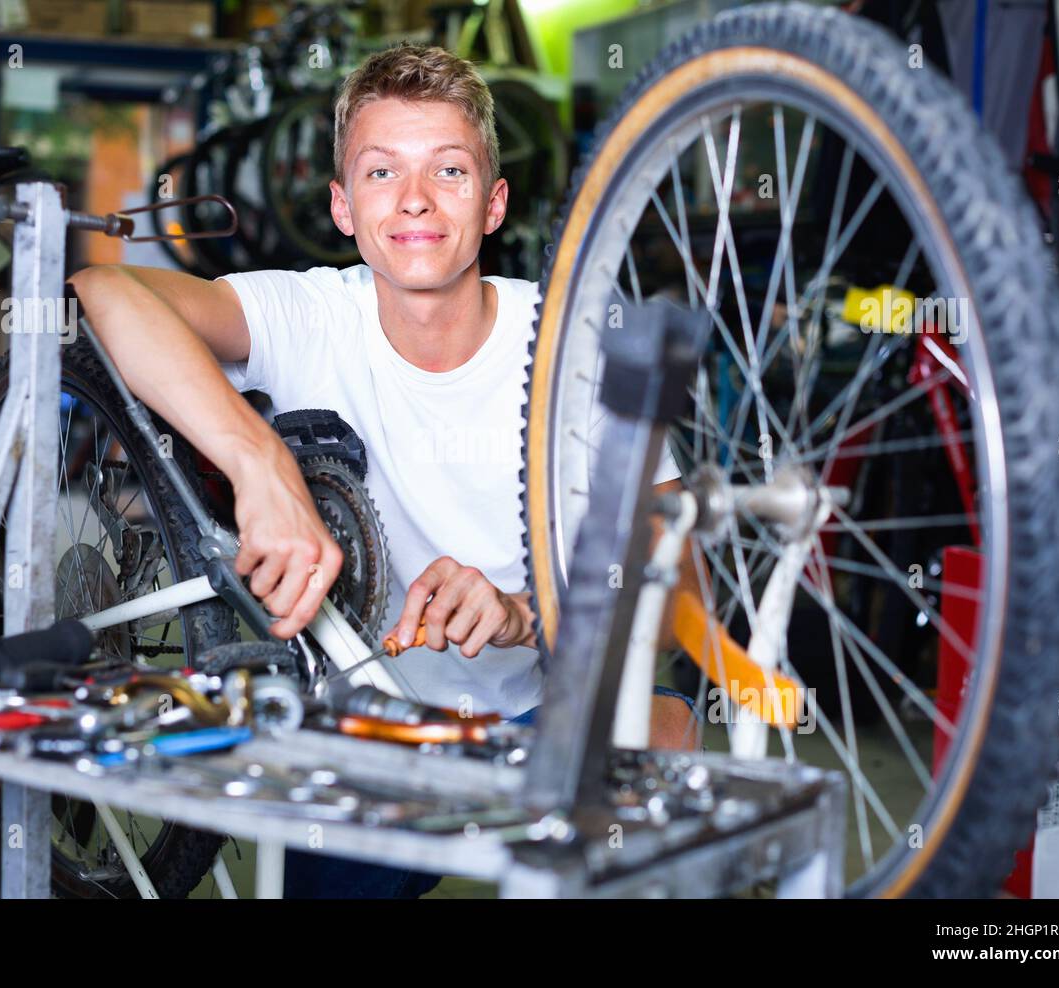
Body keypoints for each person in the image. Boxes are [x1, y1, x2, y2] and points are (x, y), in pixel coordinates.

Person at [70, 43, 698, 898]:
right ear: (341, 206)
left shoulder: (575, 340)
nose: (413, 201)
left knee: (658, 725)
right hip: (361, 741)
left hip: (530, 720)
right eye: (379, 172)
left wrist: (527, 613)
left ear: (492, 205)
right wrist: (259, 466)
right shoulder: (309, 316)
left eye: (448, 169)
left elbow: (682, 598)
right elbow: (101, 293)